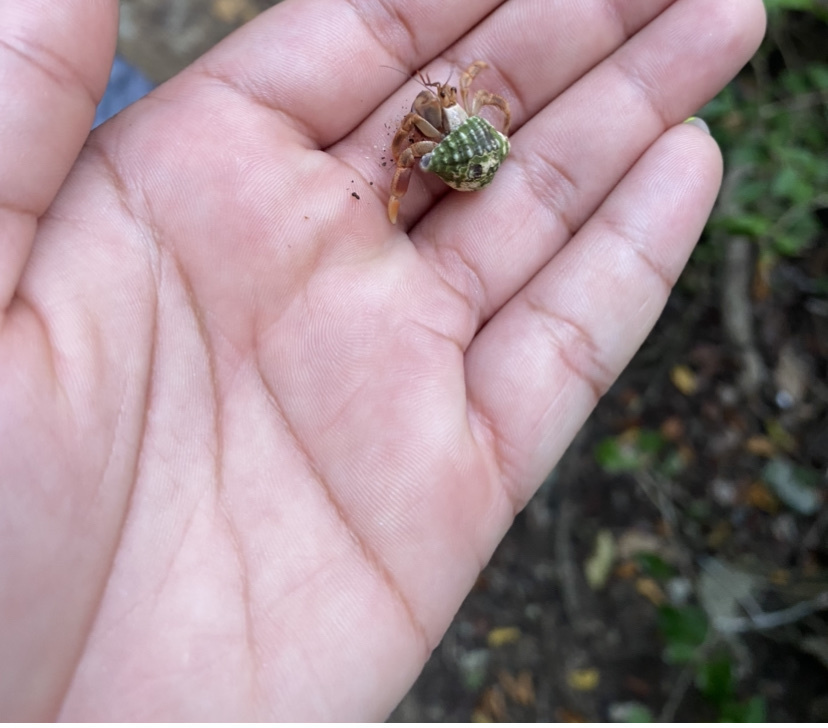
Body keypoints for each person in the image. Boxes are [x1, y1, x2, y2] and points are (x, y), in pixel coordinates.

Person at [0, 0, 766, 720]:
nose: (428, 104)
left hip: (477, 155)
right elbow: (448, 123)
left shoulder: (443, 121)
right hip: (477, 155)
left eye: (434, 105)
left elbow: (446, 122)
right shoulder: (443, 122)